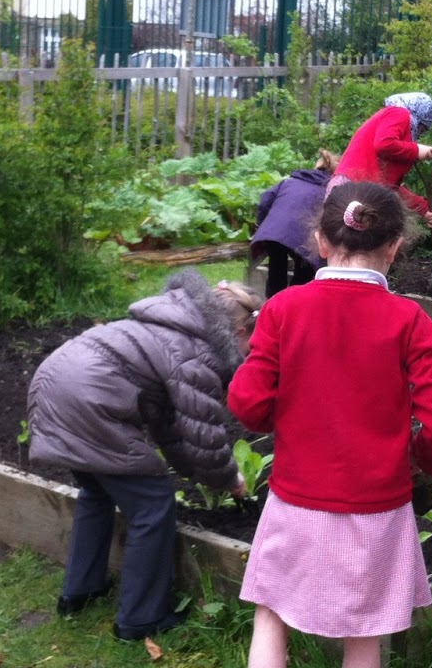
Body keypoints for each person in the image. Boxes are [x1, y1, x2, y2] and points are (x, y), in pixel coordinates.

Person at [201, 182, 432, 668]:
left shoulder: (288, 310)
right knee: (367, 631)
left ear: (320, 241)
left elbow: (247, 402)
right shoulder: (409, 320)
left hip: (296, 499)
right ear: (395, 248)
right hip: (378, 506)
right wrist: (421, 461)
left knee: (272, 614)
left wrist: (277, 415)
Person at [26, 272, 261, 641]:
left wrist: (190, 467)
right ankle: (140, 619)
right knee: (152, 503)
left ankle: (80, 591)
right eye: (253, 344)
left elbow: (167, 423)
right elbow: (205, 436)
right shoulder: (197, 354)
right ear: (241, 332)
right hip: (90, 398)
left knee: (98, 492)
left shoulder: (166, 324)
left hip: (55, 382)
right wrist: (229, 479)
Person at [332, 93, 432, 227]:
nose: (418, 134)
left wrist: (423, 208)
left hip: (353, 189)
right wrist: (416, 150)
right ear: (416, 117)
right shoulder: (399, 113)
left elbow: (391, 186)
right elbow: (384, 144)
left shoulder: (389, 127)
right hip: (353, 188)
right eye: (421, 128)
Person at [249, 151, 336, 299]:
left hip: (274, 233)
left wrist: (261, 224)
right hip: (302, 237)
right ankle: (293, 307)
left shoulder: (288, 182)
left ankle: (272, 306)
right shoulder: (328, 191)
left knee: (276, 270)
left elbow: (264, 201)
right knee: (304, 274)